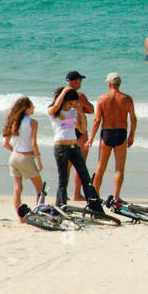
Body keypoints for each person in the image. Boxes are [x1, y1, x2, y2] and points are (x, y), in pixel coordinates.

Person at [46, 86, 106, 211]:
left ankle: (96, 208)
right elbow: (56, 106)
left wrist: (80, 113)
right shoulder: (54, 111)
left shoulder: (73, 112)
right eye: (69, 103)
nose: (71, 105)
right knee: (63, 180)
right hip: (61, 147)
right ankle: (60, 208)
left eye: (73, 103)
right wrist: (65, 91)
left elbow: (82, 129)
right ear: (63, 100)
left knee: (86, 178)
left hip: (74, 147)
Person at [88, 73, 137, 201]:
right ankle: (116, 196)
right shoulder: (127, 99)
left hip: (107, 133)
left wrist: (91, 138)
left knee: (101, 166)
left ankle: (95, 195)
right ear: (119, 84)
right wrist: (132, 134)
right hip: (121, 132)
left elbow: (97, 120)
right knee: (119, 168)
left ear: (108, 84)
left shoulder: (102, 98)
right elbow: (133, 118)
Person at [1, 96, 44, 221]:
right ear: (26, 108)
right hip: (26, 156)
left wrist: (15, 152)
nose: (34, 108)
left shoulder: (13, 121)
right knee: (40, 189)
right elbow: (34, 143)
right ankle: (38, 215)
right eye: (32, 106)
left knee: (17, 188)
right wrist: (39, 160)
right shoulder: (32, 122)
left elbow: (5, 143)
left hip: (14, 156)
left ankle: (20, 218)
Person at [64, 71, 94, 201]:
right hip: (79, 130)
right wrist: (84, 107)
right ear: (75, 81)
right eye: (79, 80)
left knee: (67, 165)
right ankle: (76, 194)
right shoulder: (79, 95)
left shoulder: (61, 94)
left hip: (66, 129)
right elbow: (91, 109)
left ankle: (63, 192)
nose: (80, 82)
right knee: (79, 163)